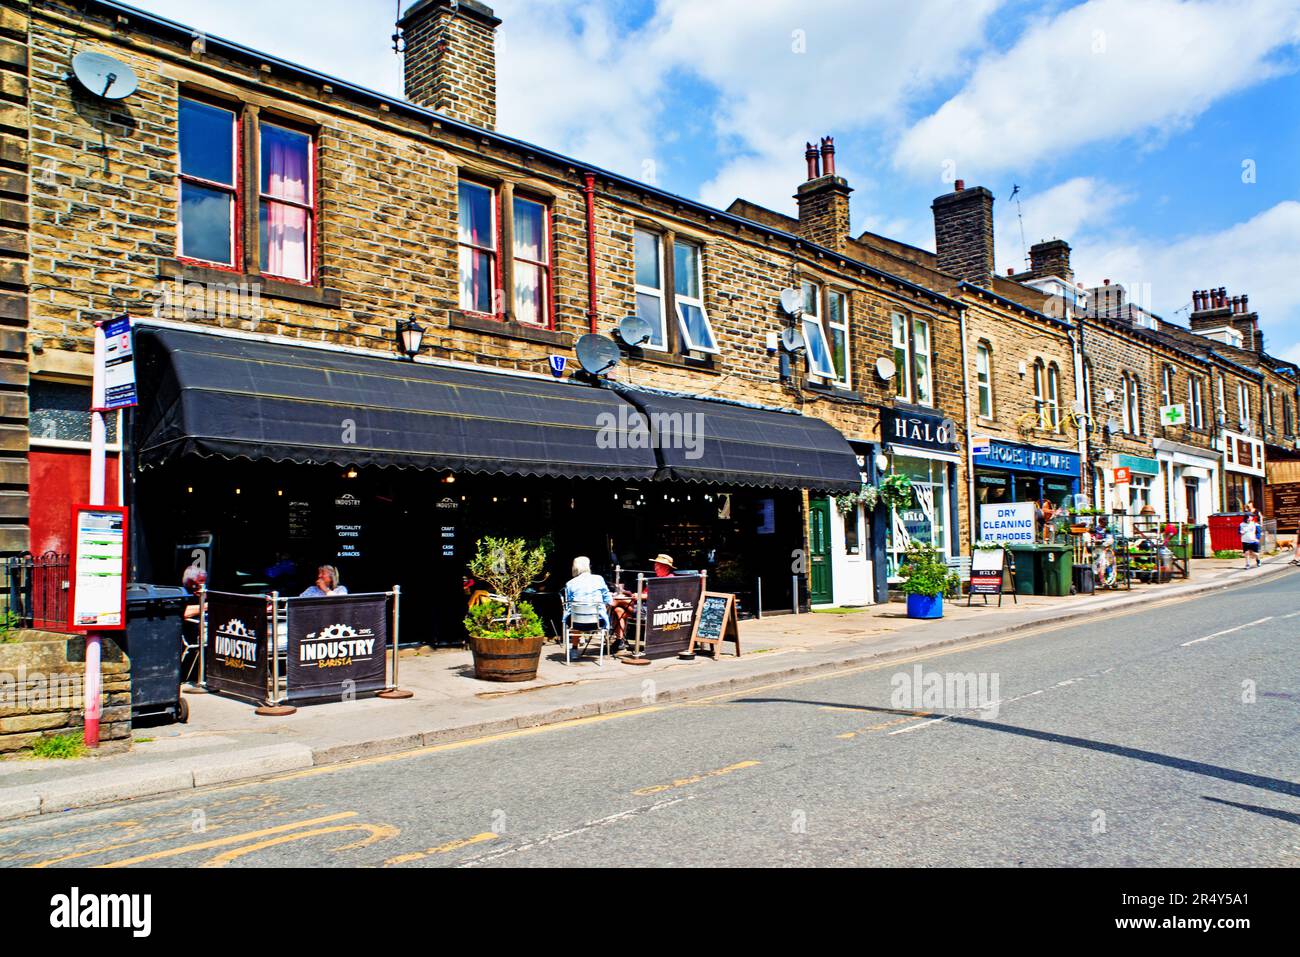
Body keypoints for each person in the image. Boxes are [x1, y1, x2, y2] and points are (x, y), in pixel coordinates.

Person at [563, 556, 612, 653]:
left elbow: (569, 604)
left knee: (574, 615)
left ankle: (574, 649)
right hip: (597, 622)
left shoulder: (570, 583)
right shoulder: (599, 579)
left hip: (576, 622)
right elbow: (608, 600)